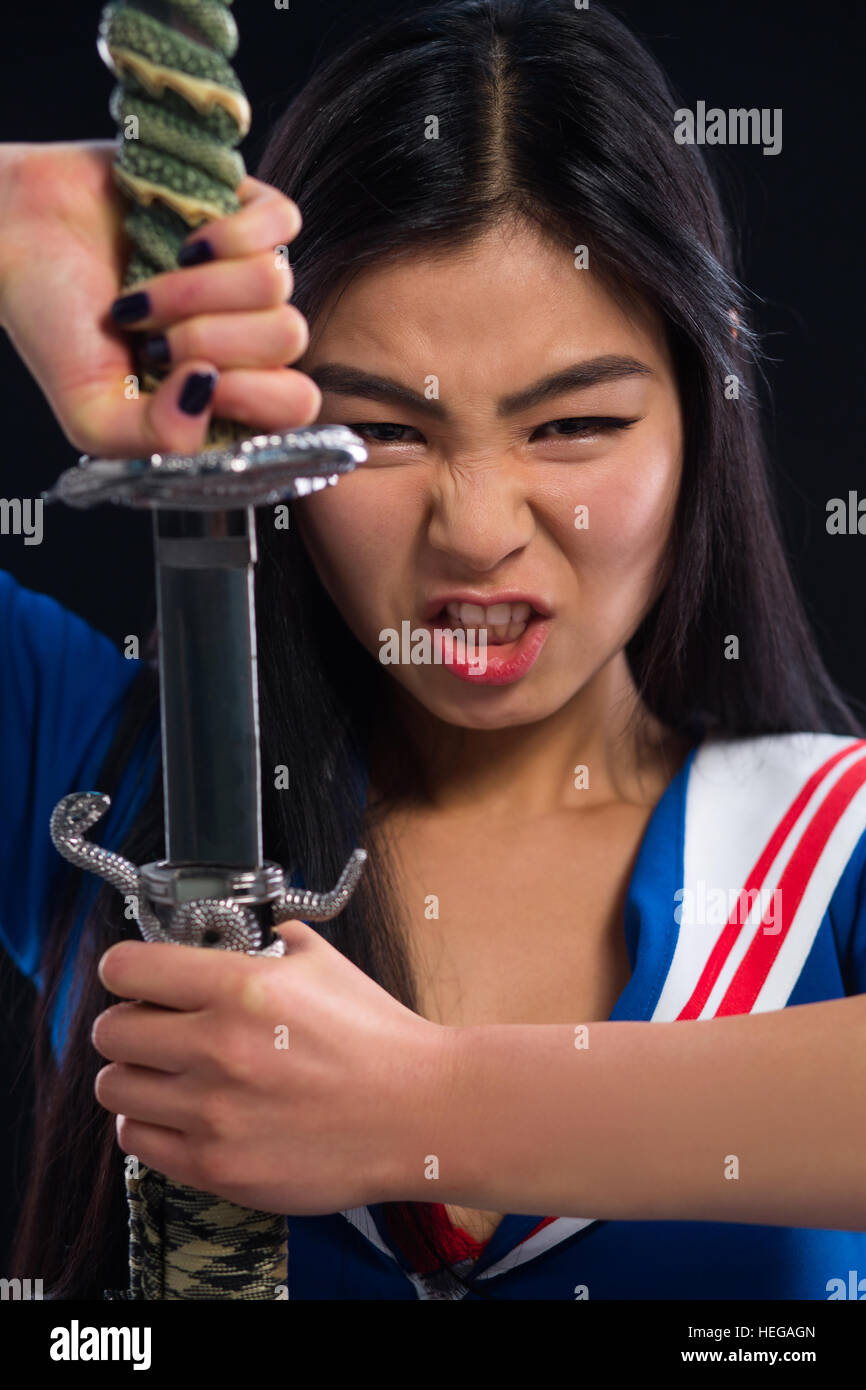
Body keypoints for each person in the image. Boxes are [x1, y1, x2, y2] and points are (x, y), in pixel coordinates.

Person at [2, 0, 866, 1302]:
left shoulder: (830, 838)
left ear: (701, 417)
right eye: (379, 435)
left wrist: (423, 1098)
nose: (475, 533)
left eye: (571, 424)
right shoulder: (98, 769)